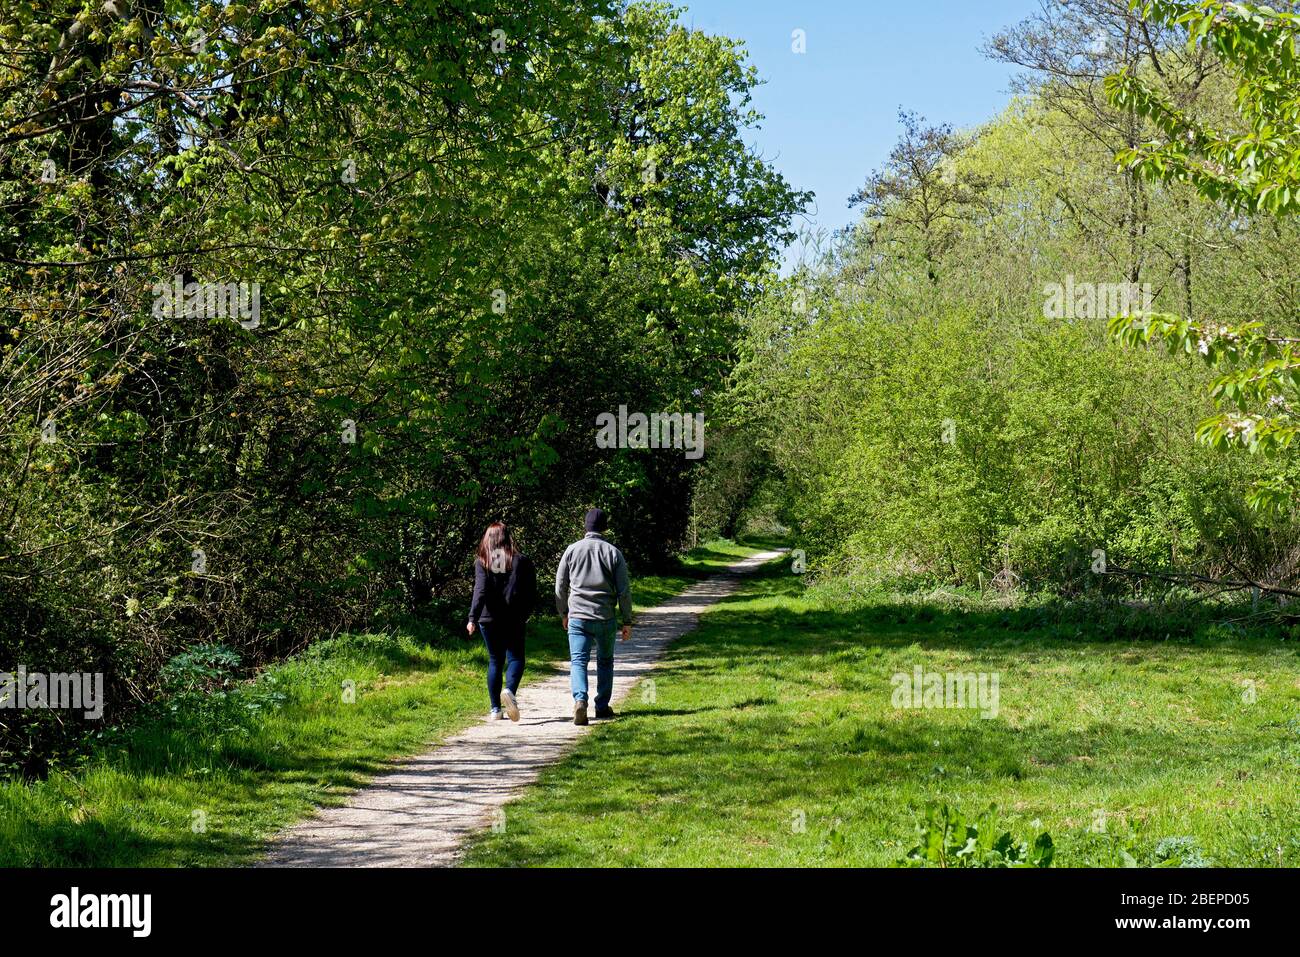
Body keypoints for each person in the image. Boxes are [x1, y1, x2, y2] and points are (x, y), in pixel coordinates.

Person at [555, 508, 632, 725]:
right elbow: (624, 590)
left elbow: (560, 586)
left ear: (585, 526)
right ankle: (601, 706)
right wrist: (627, 621)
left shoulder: (571, 550)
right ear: (604, 528)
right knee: (605, 661)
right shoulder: (613, 553)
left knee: (578, 660)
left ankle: (580, 700)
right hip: (605, 617)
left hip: (578, 616)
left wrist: (564, 612)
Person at [467, 522, 537, 721]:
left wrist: (472, 617)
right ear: (508, 538)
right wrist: (525, 613)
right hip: (514, 618)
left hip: (488, 619)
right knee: (516, 659)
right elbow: (531, 592)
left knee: (495, 661)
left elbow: (479, 591)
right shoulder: (521, 561)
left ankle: (495, 710)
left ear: (487, 539)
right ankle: (509, 690)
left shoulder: (482, 561)